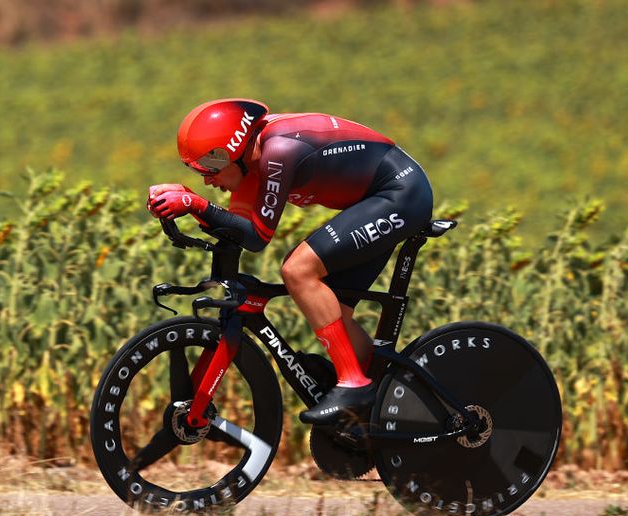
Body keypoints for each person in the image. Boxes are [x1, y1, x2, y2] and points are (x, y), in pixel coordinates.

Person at [147, 98, 433, 425]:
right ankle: (381, 406)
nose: (207, 181)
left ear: (232, 152)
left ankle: (354, 382)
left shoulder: (279, 152)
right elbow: (237, 232)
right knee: (334, 313)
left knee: (298, 269)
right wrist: (184, 202)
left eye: (209, 168)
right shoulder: (250, 161)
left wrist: (196, 204)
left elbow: (257, 237)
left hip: (400, 193)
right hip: (374, 200)